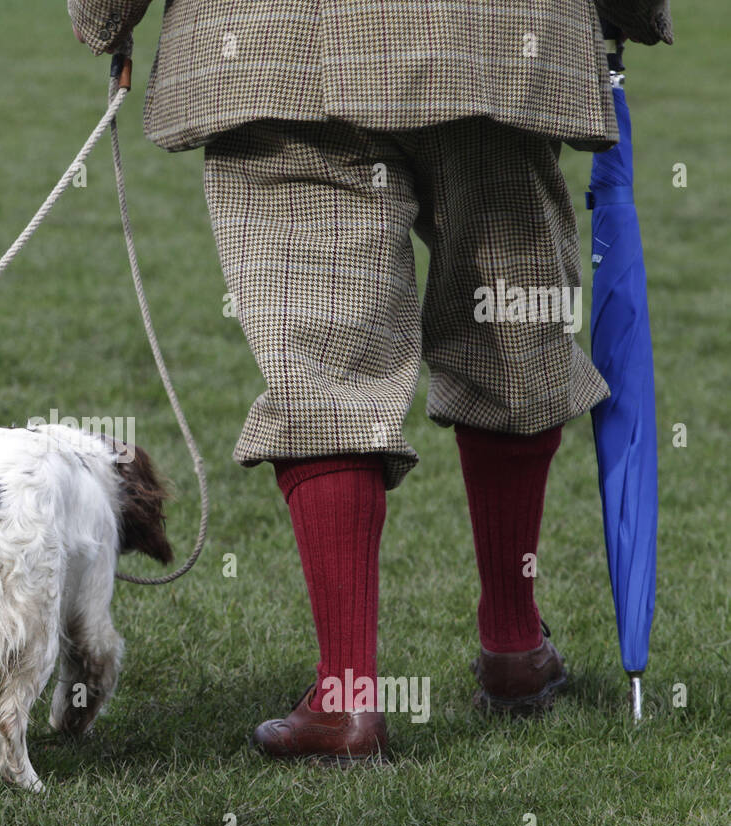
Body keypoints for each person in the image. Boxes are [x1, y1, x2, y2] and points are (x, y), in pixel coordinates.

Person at [67, 0, 673, 762]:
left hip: (279, 46)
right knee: (511, 325)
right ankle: (515, 647)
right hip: (497, 38)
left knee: (321, 359)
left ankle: (347, 702)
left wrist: (103, 18)